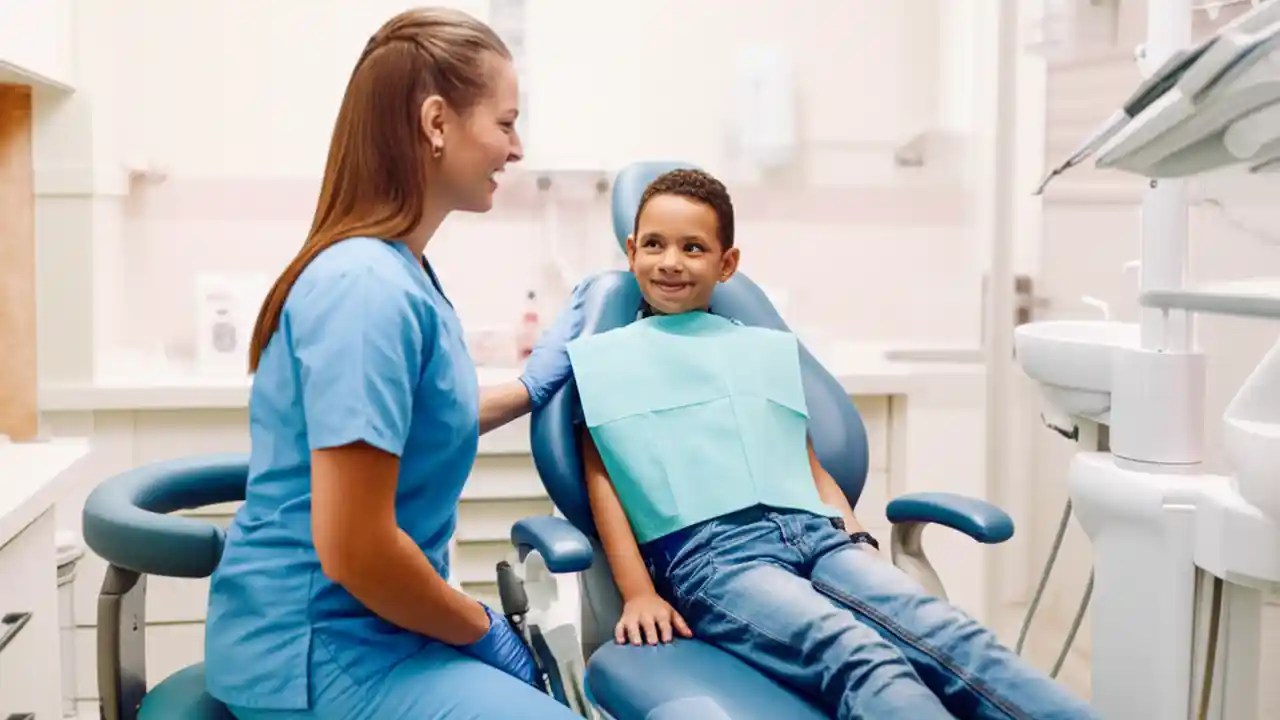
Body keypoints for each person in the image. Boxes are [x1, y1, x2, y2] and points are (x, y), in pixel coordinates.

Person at [567, 169, 1100, 720]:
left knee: (952, 634)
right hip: (715, 558)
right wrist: (638, 592)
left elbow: (803, 461)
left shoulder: (760, 349)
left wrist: (857, 536)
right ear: (631, 252)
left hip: (817, 535)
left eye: (693, 248)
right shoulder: (609, 361)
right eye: (654, 245)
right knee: (863, 657)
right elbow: (604, 480)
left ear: (727, 264)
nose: (671, 261)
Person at [203, 8, 585, 719]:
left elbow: (411, 422)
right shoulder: (364, 288)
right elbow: (357, 550)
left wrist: (532, 388)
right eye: (505, 124)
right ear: (437, 122)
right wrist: (482, 627)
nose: (516, 148)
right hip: (319, 651)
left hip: (382, 626)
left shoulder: (396, 270)